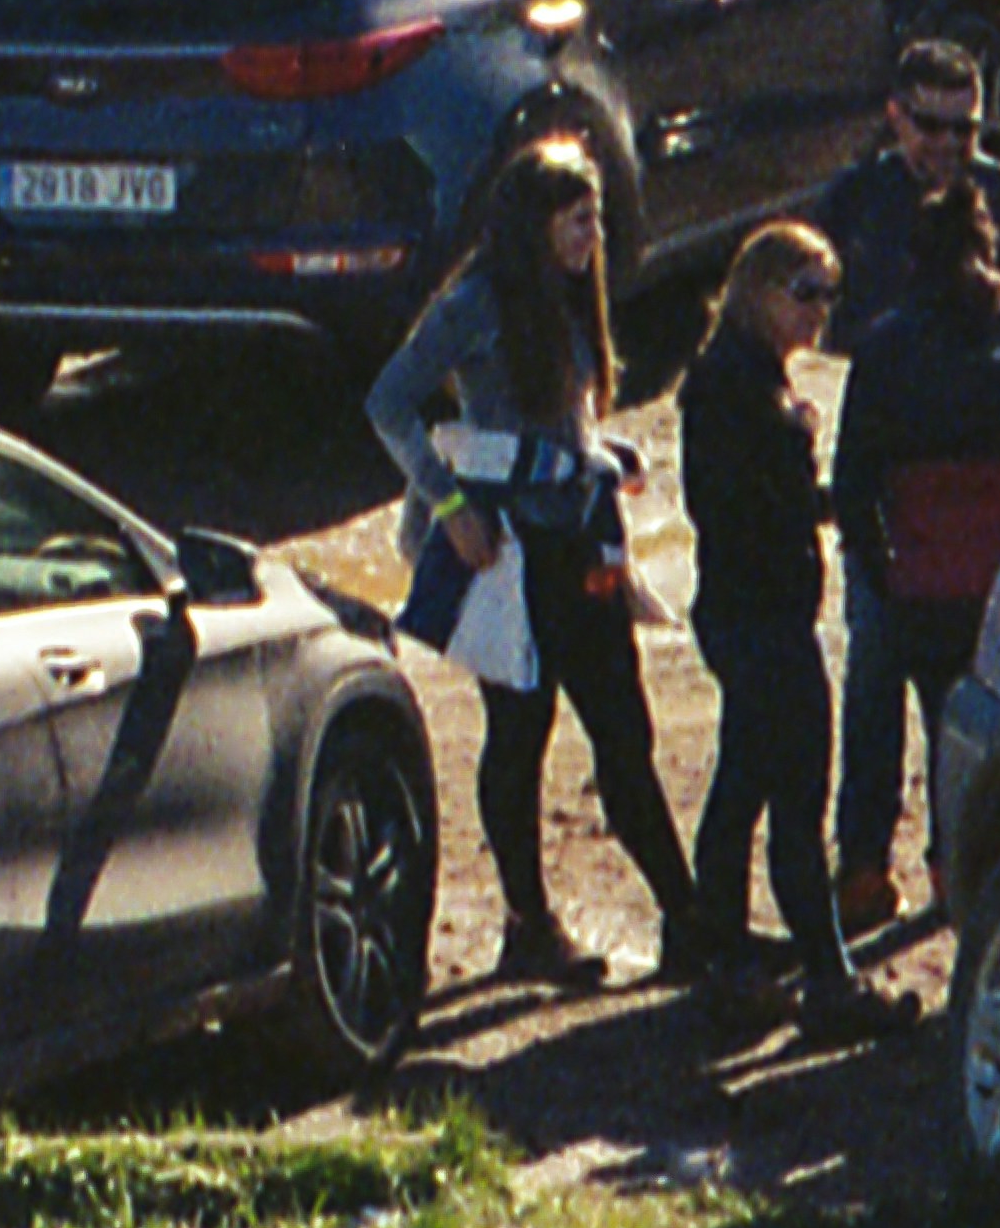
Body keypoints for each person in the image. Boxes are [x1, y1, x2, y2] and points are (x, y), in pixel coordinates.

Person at [366, 116, 712, 988]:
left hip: (578, 547)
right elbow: (389, 402)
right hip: (510, 559)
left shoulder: (570, 294)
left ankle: (685, 918)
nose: (592, 237)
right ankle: (529, 923)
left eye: (593, 219)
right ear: (531, 224)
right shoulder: (476, 303)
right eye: (575, 220)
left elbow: (570, 415)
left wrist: (598, 461)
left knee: (622, 731)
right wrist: (447, 507)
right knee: (518, 735)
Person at [812, 16, 1000, 938]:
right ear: (893, 118)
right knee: (874, 687)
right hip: (894, 505)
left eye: (964, 129)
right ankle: (861, 862)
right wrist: (862, 535)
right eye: (928, 125)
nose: (946, 145)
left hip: (996, 534)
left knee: (964, 706)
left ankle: (947, 863)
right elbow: (809, 339)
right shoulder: (850, 208)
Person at [673, 223, 870, 1019]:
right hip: (758, 619)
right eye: (804, 294)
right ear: (757, 292)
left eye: (828, 295)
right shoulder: (732, 387)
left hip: (749, 613)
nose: (818, 314)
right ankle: (824, 978)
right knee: (792, 792)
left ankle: (720, 948)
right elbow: (729, 505)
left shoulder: (744, 378)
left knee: (746, 782)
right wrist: (801, 456)